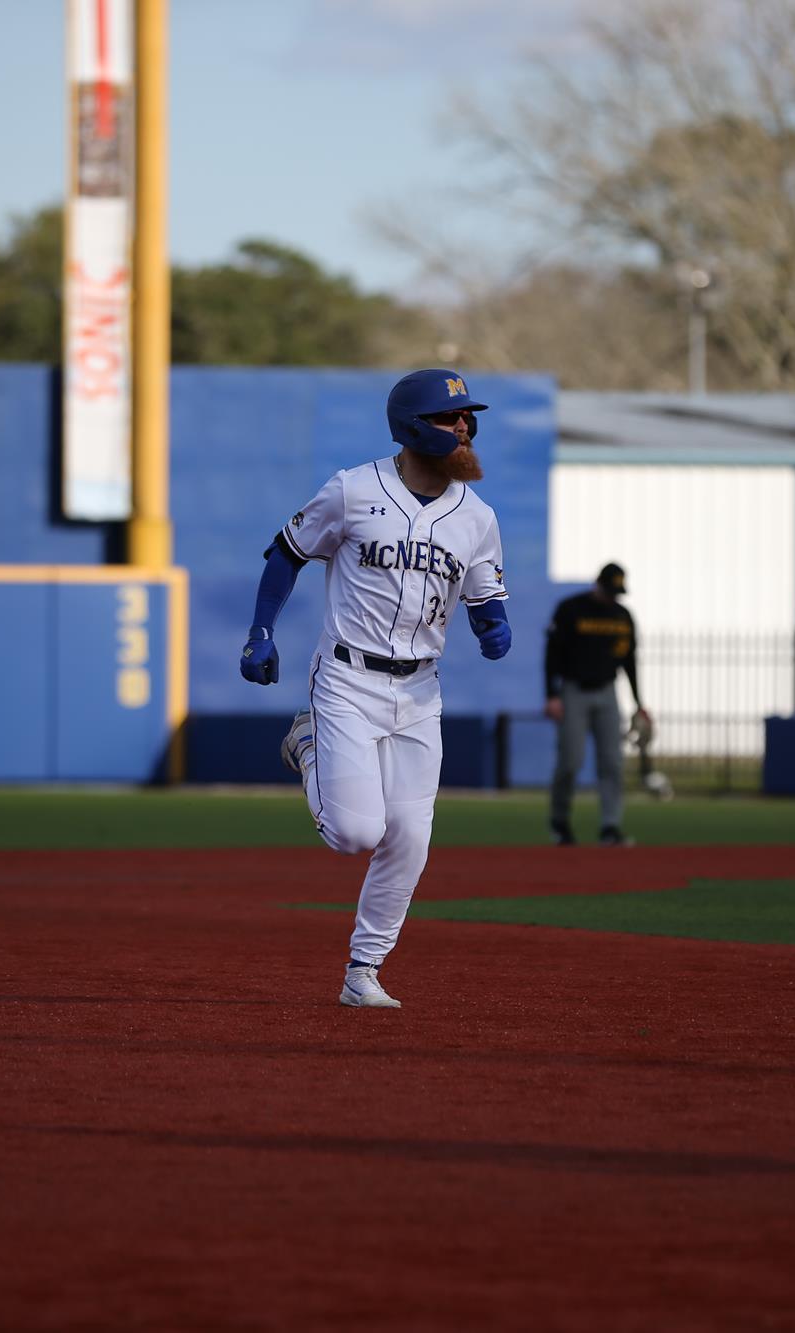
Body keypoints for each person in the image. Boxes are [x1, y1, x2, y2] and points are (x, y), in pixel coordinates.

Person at [239, 368, 512, 1009]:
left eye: (468, 416)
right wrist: (259, 632)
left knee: (411, 838)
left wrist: (494, 622)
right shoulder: (354, 489)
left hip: (421, 692)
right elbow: (286, 552)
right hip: (346, 679)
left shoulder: (476, 515)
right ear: (414, 428)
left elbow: (484, 592)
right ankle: (306, 745)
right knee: (355, 835)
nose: (464, 426)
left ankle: (364, 969)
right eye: (450, 418)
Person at [544, 562, 649, 846]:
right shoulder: (571, 609)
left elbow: (629, 661)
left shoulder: (622, 616)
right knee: (570, 761)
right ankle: (560, 823)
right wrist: (551, 695)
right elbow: (552, 654)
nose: (614, 596)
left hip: (607, 692)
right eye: (610, 589)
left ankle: (610, 826)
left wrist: (640, 703)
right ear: (598, 583)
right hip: (573, 691)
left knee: (612, 762)